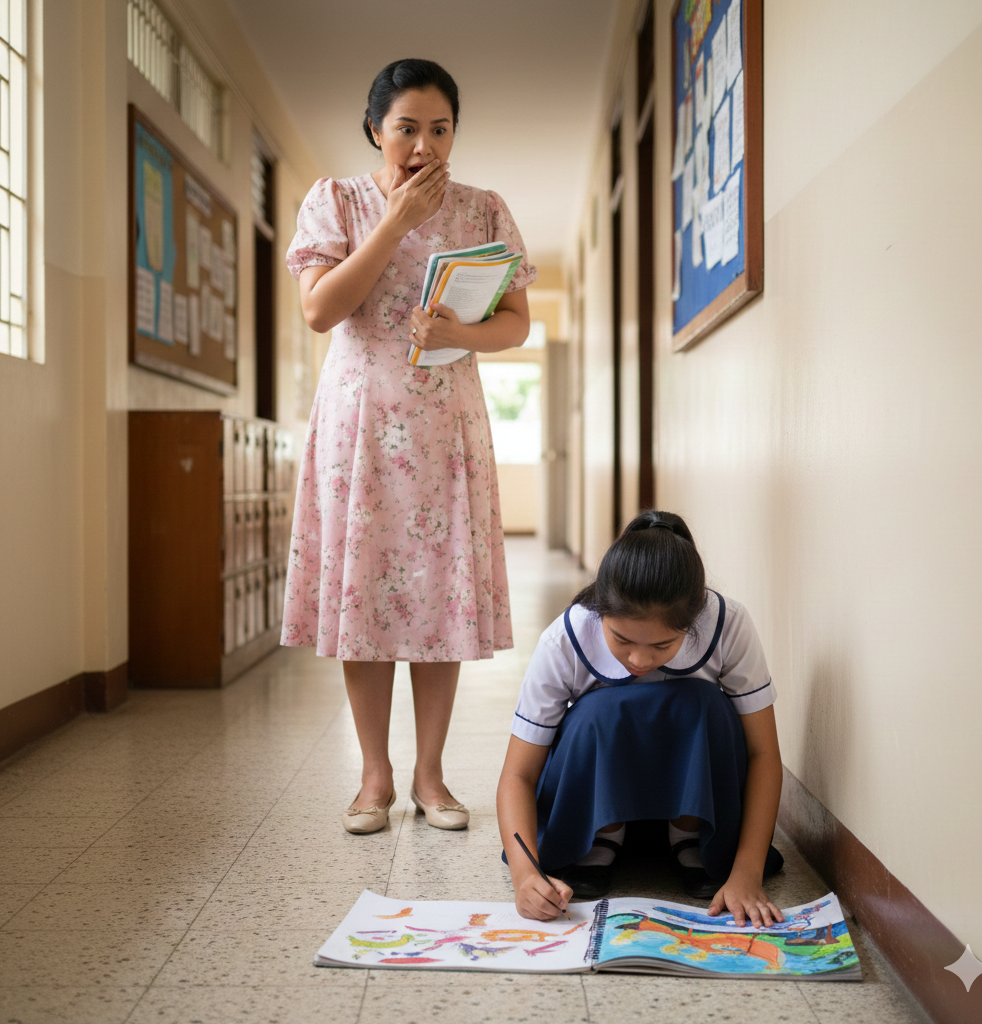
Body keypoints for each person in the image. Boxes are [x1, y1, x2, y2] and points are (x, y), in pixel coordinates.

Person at [283, 58, 536, 835]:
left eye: (439, 129)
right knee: (366, 594)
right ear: (374, 130)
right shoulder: (337, 200)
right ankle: (373, 776)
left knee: (439, 595)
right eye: (406, 129)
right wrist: (394, 223)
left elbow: (516, 322)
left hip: (443, 427)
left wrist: (466, 333)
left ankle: (430, 776)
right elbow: (321, 310)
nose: (423, 146)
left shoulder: (484, 209)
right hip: (360, 428)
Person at [497, 510, 785, 924]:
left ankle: (687, 837)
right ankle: (602, 838)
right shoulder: (565, 637)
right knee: (597, 711)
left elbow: (763, 754)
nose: (639, 659)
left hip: (703, 815)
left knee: (706, 704)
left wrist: (747, 873)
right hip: (587, 815)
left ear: (693, 622)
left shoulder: (727, 622)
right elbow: (517, 775)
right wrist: (525, 876)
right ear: (600, 612)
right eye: (622, 639)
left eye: (663, 644)